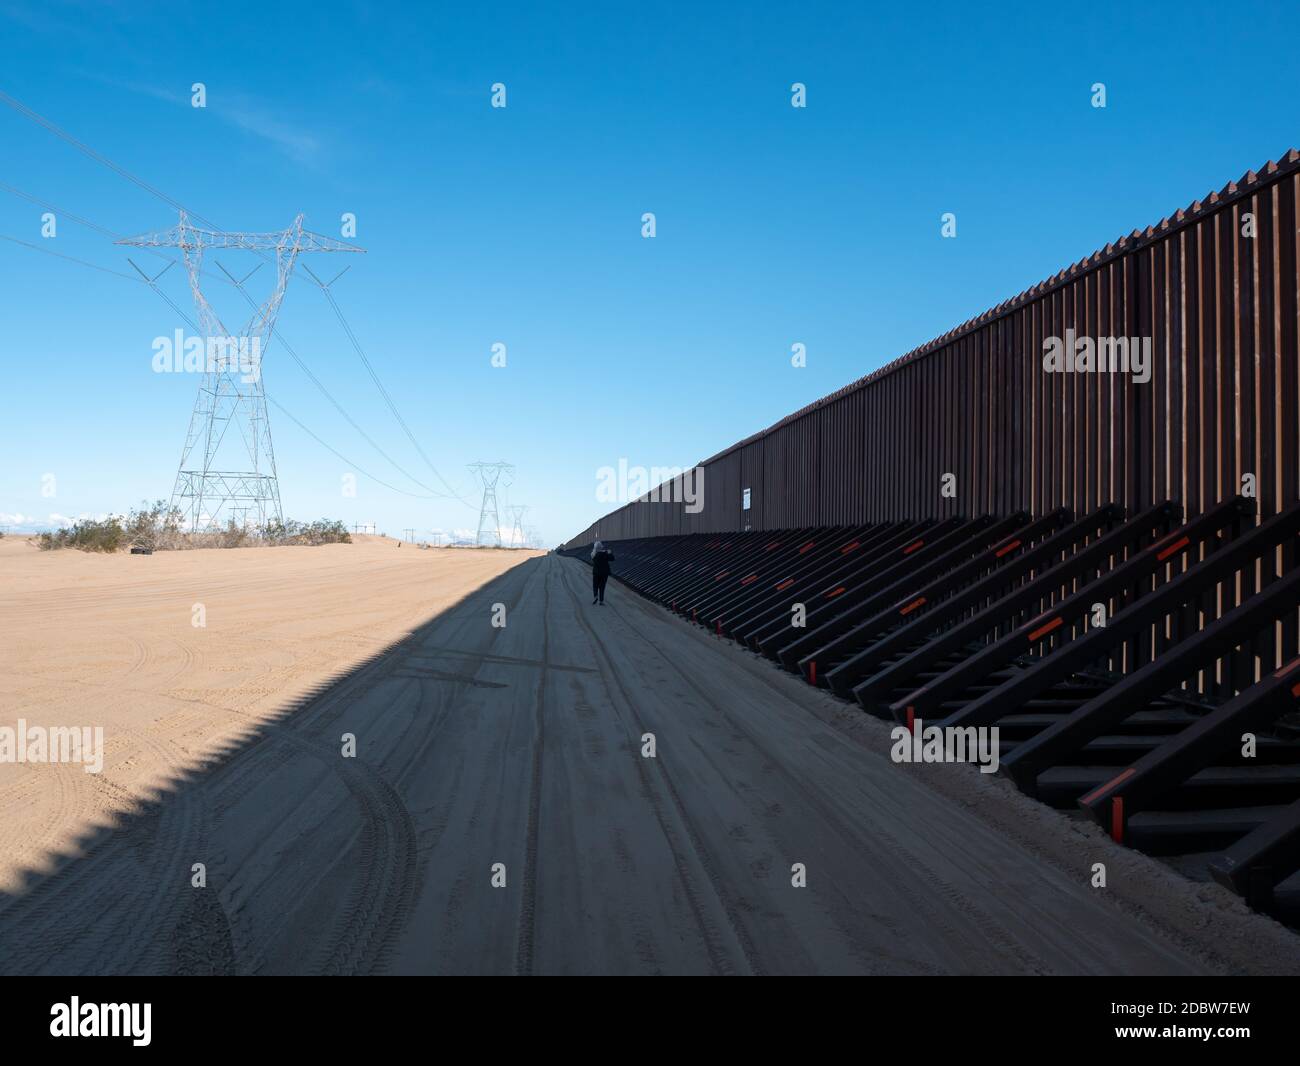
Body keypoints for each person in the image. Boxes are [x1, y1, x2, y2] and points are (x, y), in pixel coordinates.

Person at [591, 540, 615, 605]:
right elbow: (612, 559)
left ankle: (595, 596)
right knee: (602, 587)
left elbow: (593, 559)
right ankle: (601, 601)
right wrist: (609, 553)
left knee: (595, 585)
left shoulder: (593, 554)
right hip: (604, 573)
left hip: (596, 572)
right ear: (601, 547)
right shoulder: (605, 554)